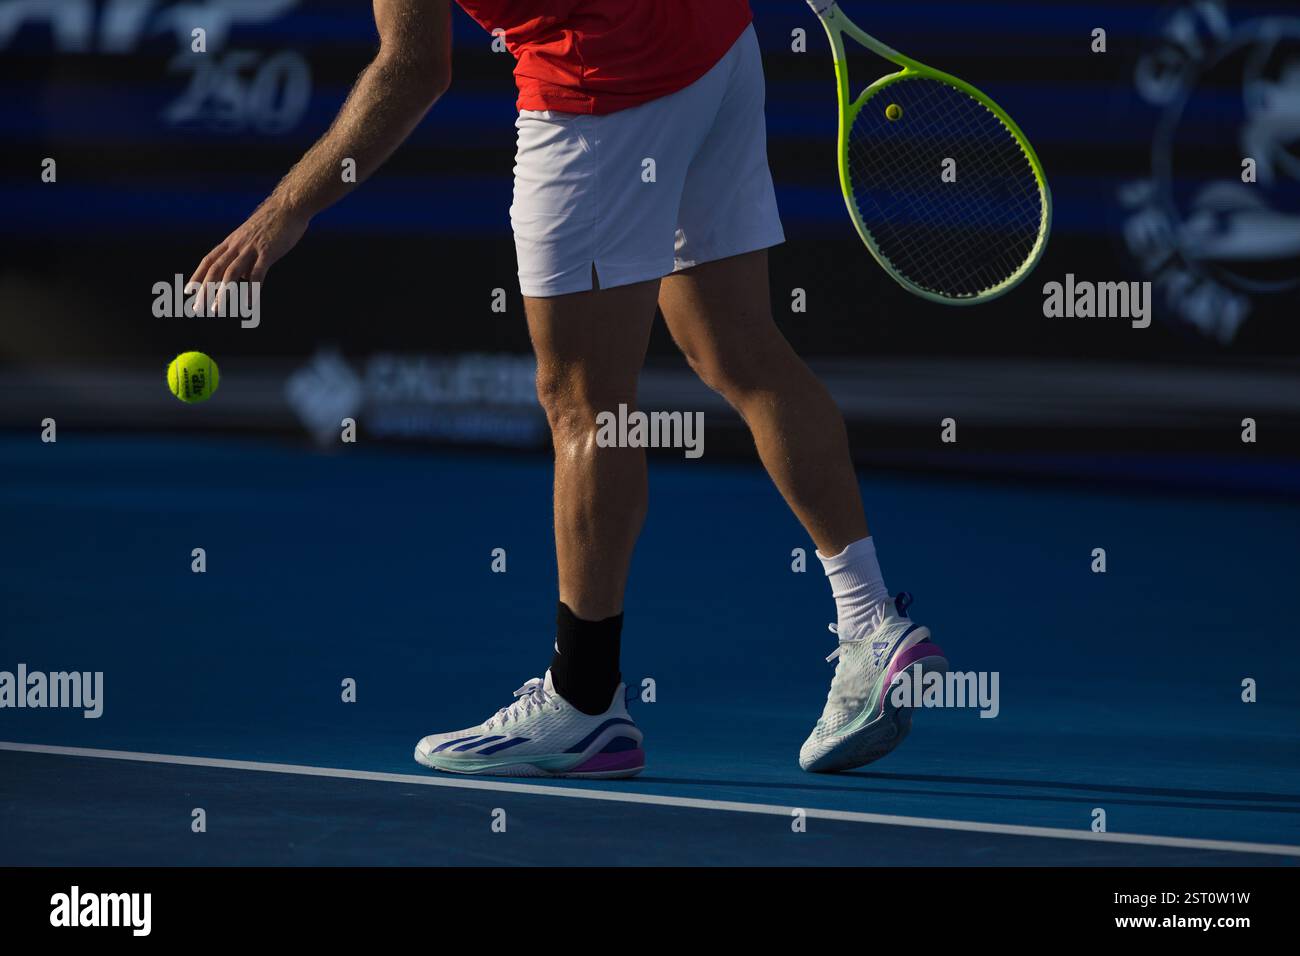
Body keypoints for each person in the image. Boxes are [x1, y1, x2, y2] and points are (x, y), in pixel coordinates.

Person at [187, 0, 947, 778]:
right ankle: (870, 619)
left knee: (586, 402)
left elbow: (414, 68)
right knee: (742, 350)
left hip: (602, 93)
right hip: (713, 43)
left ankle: (584, 703)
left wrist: (286, 208)